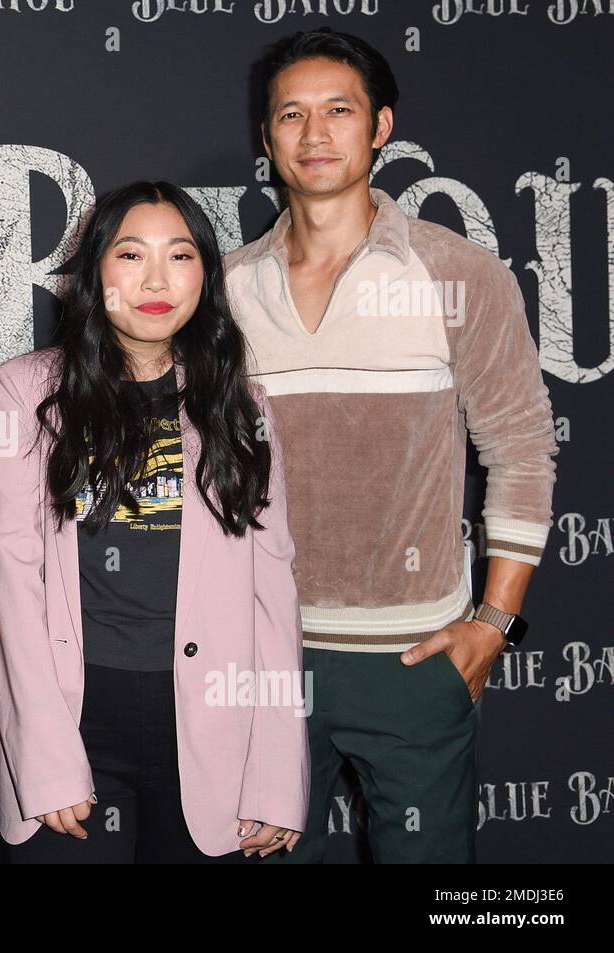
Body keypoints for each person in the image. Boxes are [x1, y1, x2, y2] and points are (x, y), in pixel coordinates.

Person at [225, 29, 559, 863]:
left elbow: (520, 448)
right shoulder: (227, 287)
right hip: (263, 656)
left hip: (416, 656)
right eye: (291, 115)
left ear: (380, 127)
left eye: (338, 111)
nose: (314, 135)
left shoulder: (459, 274)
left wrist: (494, 623)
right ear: (266, 140)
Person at [0, 181, 308, 863]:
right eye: (131, 254)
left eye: (180, 256)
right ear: (95, 270)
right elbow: (11, 585)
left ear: (205, 276)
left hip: (215, 731)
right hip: (75, 723)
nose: (157, 278)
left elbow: (273, 596)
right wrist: (44, 756)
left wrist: (278, 771)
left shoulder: (240, 407)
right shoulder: (26, 391)